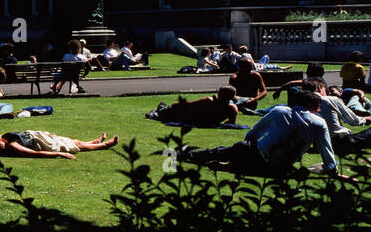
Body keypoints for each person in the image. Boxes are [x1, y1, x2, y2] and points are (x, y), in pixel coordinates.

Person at [182, 89, 351, 181]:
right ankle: (232, 164)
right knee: (237, 151)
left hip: (259, 156)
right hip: (282, 166)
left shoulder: (279, 111)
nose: (320, 109)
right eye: (318, 105)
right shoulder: (319, 123)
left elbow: (253, 133)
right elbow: (326, 151)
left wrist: (246, 146)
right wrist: (333, 171)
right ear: (309, 105)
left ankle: (188, 156)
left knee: (231, 149)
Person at [0, 129, 118, 159]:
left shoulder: (6, 139)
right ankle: (104, 145)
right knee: (77, 146)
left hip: (39, 136)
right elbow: (36, 154)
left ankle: (94, 142)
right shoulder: (12, 147)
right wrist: (59, 153)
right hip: (44, 144)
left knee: (73, 141)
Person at [145, 86, 239, 126]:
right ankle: (162, 108)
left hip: (185, 116)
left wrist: (175, 105)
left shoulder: (209, 101)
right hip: (186, 115)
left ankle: (161, 108)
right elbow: (231, 123)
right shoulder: (232, 108)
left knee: (159, 114)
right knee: (164, 110)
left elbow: (188, 105)